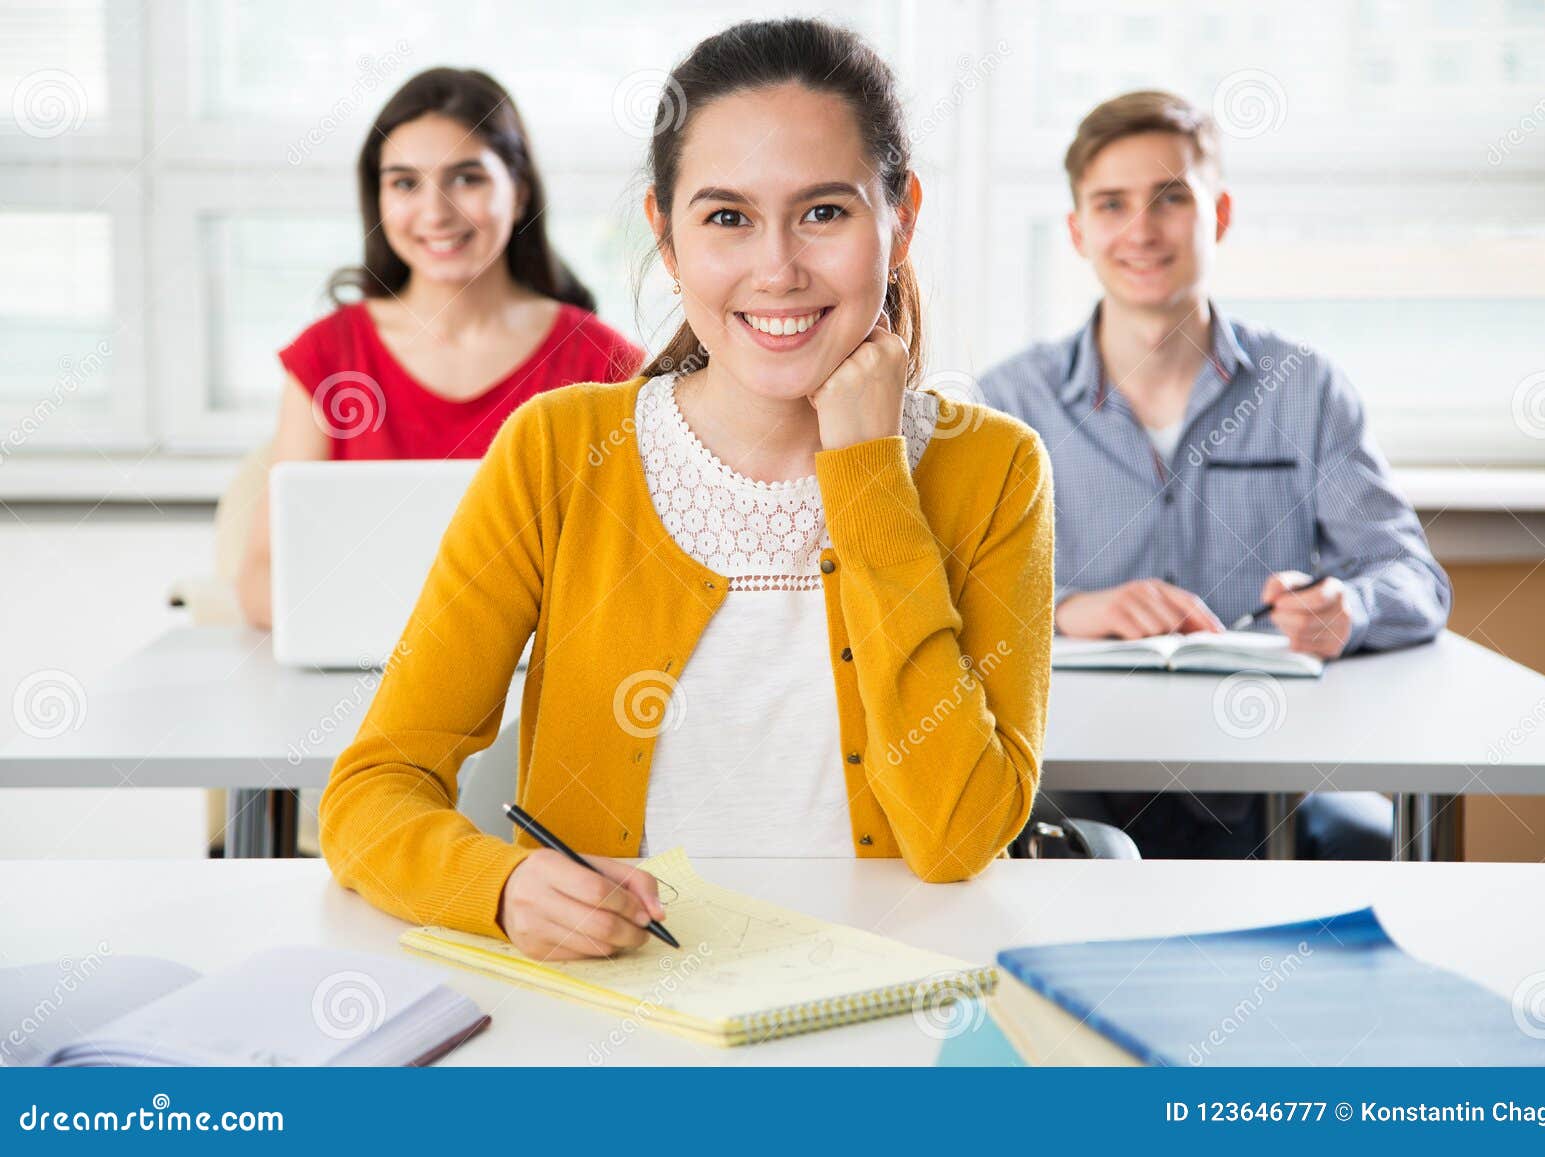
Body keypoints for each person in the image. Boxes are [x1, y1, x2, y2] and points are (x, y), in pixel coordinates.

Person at [319, 19, 1054, 962]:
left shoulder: (992, 469)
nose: (778, 268)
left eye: (825, 212)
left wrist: (867, 473)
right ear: (666, 236)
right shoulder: (559, 450)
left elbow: (957, 838)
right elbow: (372, 790)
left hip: (885, 1010)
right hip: (616, 1016)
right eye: (727, 217)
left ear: (901, 216)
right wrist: (495, 887)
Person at [980, 90, 1451, 860]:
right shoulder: (1009, 403)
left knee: (1376, 847)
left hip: (1273, 775)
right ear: (1076, 230)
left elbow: (1414, 577)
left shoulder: (1304, 388)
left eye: (1170, 198)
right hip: (1079, 780)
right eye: (1111, 204)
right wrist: (1065, 609)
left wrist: (1350, 608)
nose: (1140, 230)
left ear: (1219, 215)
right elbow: (959, 598)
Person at [235, 67, 643, 629]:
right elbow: (261, 582)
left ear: (519, 191)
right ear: (377, 197)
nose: (434, 212)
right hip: (367, 681)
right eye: (405, 183)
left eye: (466, 178)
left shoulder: (602, 362)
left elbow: (634, 567)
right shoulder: (329, 356)